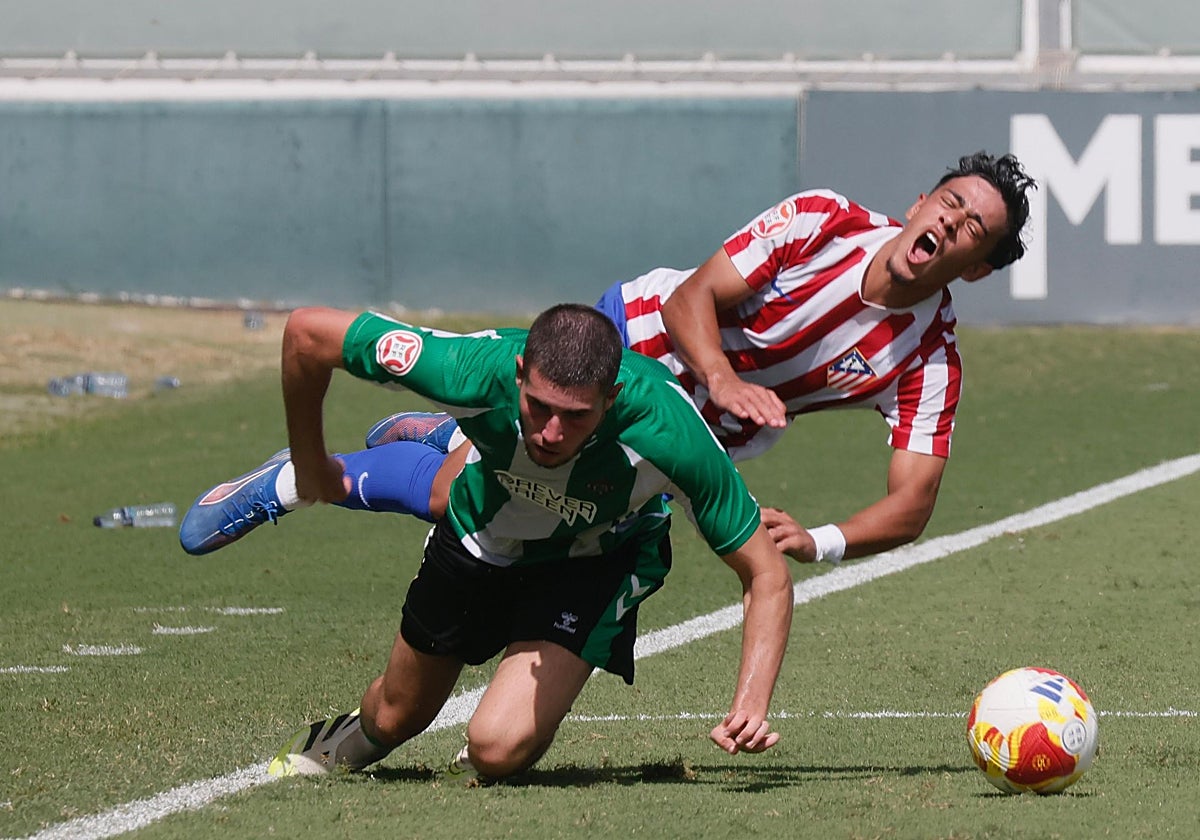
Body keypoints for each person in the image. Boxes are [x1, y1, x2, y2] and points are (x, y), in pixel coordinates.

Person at [181, 150, 1035, 565]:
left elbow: (914, 501)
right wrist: (730, 379)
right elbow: (689, 298)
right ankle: (304, 478)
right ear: (920, 198)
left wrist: (821, 538)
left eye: (972, 230)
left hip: (687, 435)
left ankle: (436, 440)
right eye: (949, 203)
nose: (949, 225)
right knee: (491, 514)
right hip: (624, 347)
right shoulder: (824, 220)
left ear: (981, 266)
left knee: (507, 522)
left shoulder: (931, 359)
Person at [264, 303, 794, 779]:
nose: (552, 432)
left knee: (497, 748)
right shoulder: (471, 366)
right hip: (483, 531)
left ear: (611, 399)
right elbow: (309, 334)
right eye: (539, 407)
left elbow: (766, 573)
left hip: (592, 558)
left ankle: (447, 436)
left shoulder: (669, 431)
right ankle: (448, 435)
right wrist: (310, 463)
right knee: (393, 718)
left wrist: (751, 703)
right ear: (519, 375)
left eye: (577, 416)